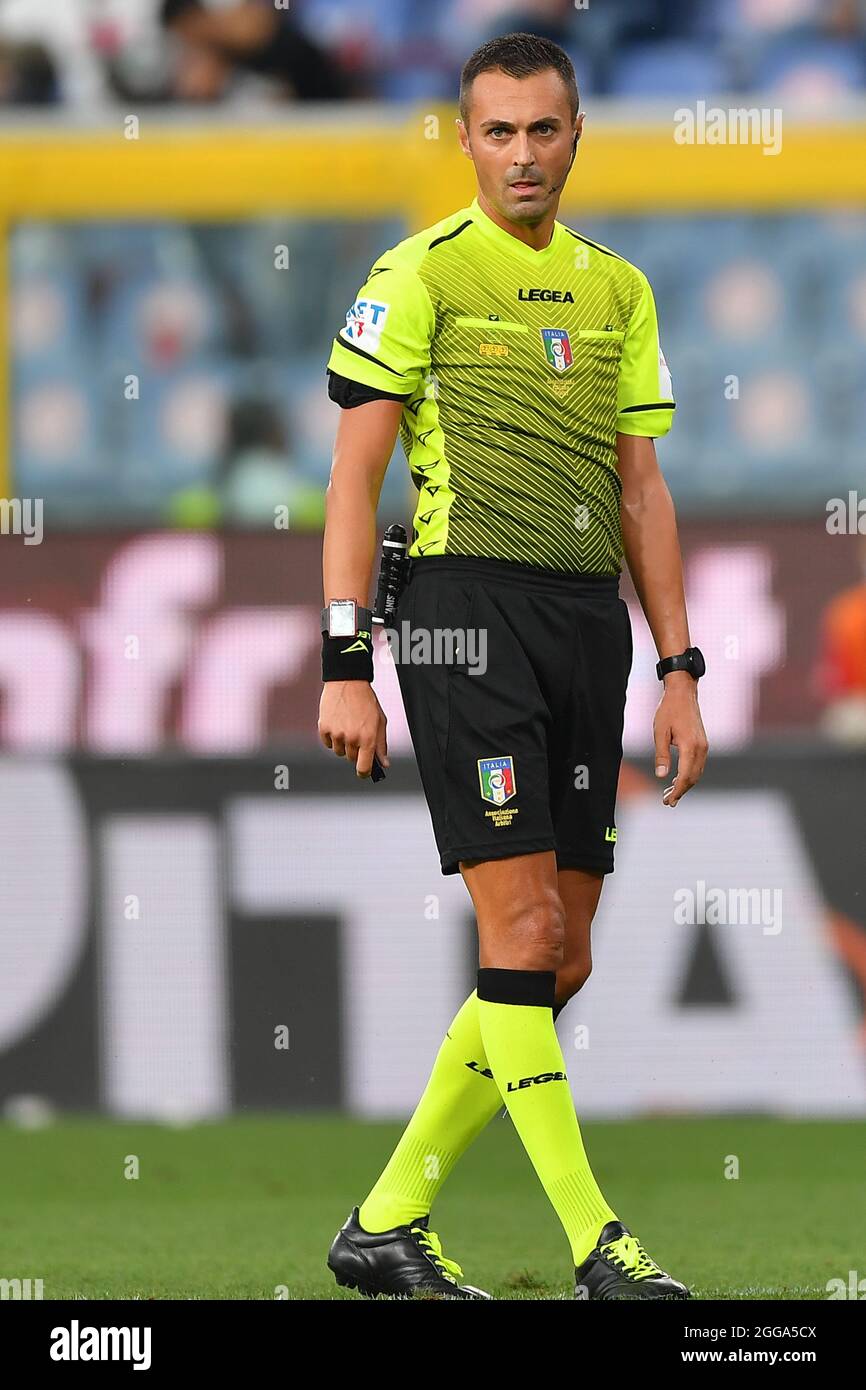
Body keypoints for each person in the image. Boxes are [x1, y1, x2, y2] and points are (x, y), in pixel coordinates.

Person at [318, 31, 708, 1301]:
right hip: (458, 614)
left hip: (586, 624)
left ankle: (386, 1221)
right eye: (498, 131)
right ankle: (599, 1242)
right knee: (524, 926)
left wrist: (681, 668)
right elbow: (350, 479)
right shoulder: (418, 273)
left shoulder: (618, 290)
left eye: (543, 130)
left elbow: (640, 491)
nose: (521, 154)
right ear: (466, 138)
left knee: (561, 955)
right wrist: (344, 658)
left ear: (576, 135)